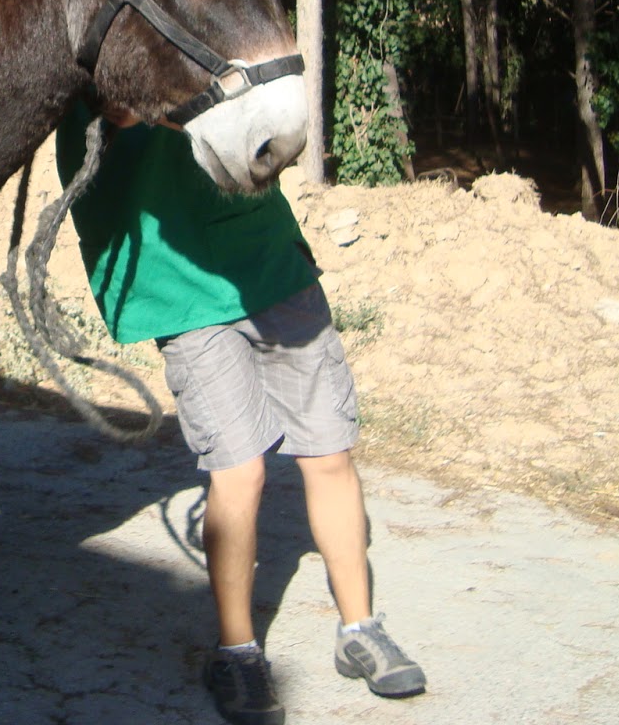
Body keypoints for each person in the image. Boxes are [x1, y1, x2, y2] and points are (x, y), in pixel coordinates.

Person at [55, 99, 426, 725]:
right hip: (185, 291)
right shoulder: (107, 57)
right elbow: (106, 128)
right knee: (239, 471)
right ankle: (238, 651)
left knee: (330, 453)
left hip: (270, 263)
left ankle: (360, 629)